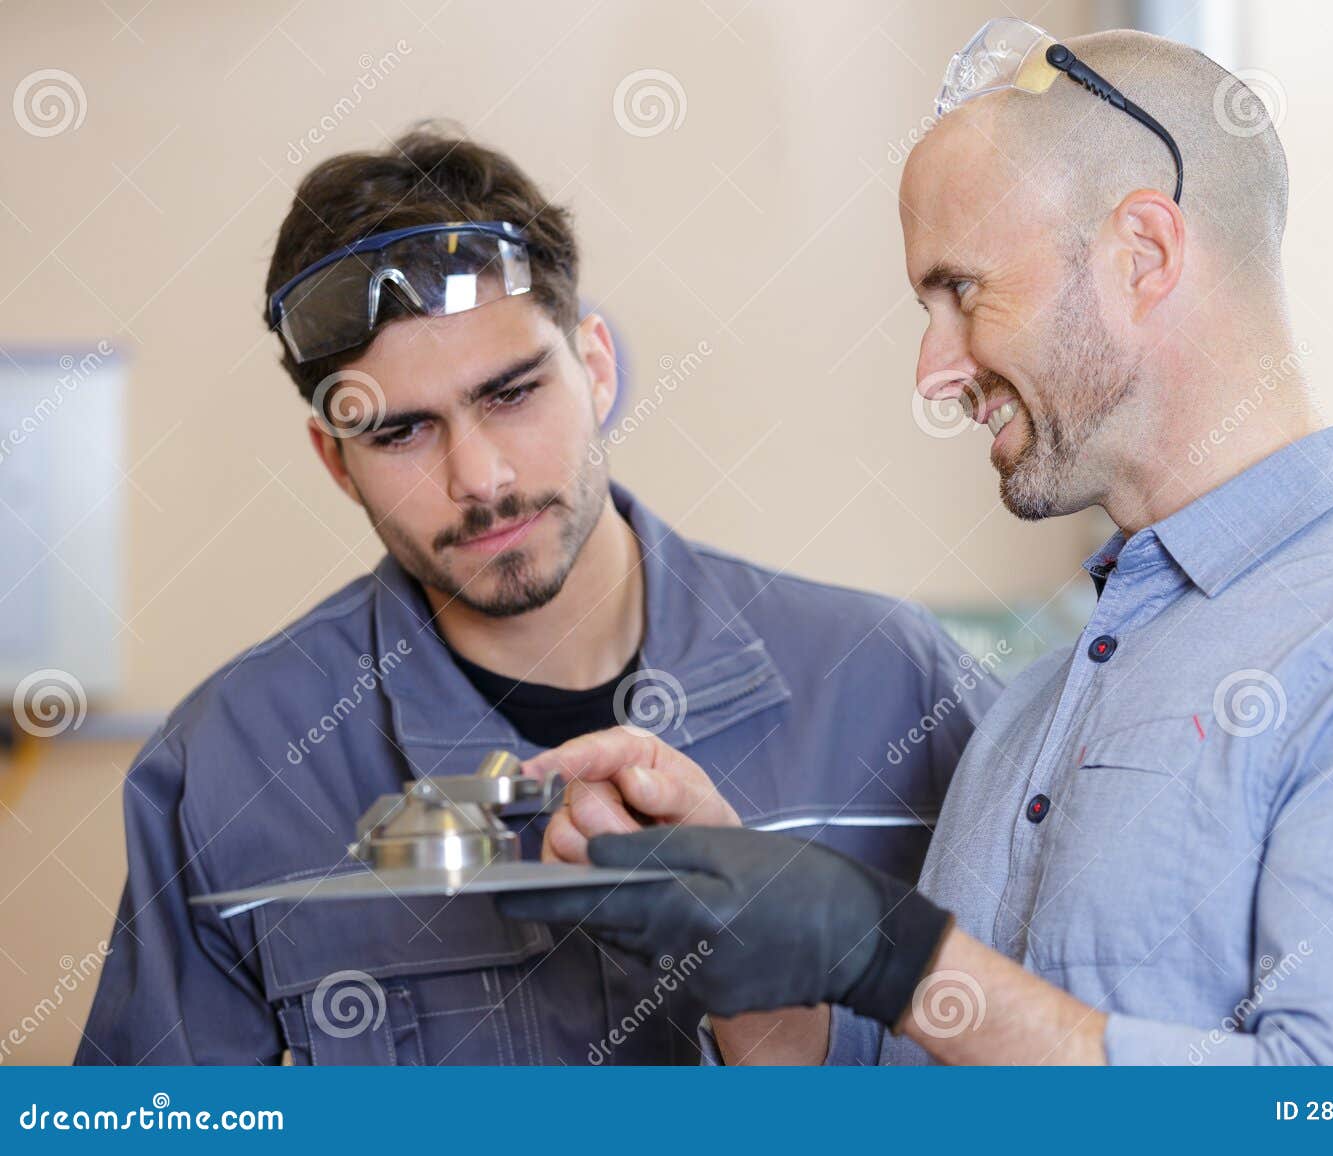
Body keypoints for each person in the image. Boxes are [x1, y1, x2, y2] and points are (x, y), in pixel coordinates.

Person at [499, 25, 1333, 1065]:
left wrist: (903, 957)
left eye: (961, 290)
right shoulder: (1036, 706)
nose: (933, 370)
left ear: (1143, 250)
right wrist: (753, 955)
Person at [76, 128, 999, 1065]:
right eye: (400, 433)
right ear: (336, 463)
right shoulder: (228, 770)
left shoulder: (896, 685)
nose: (479, 477)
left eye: (511, 393)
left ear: (595, 368)